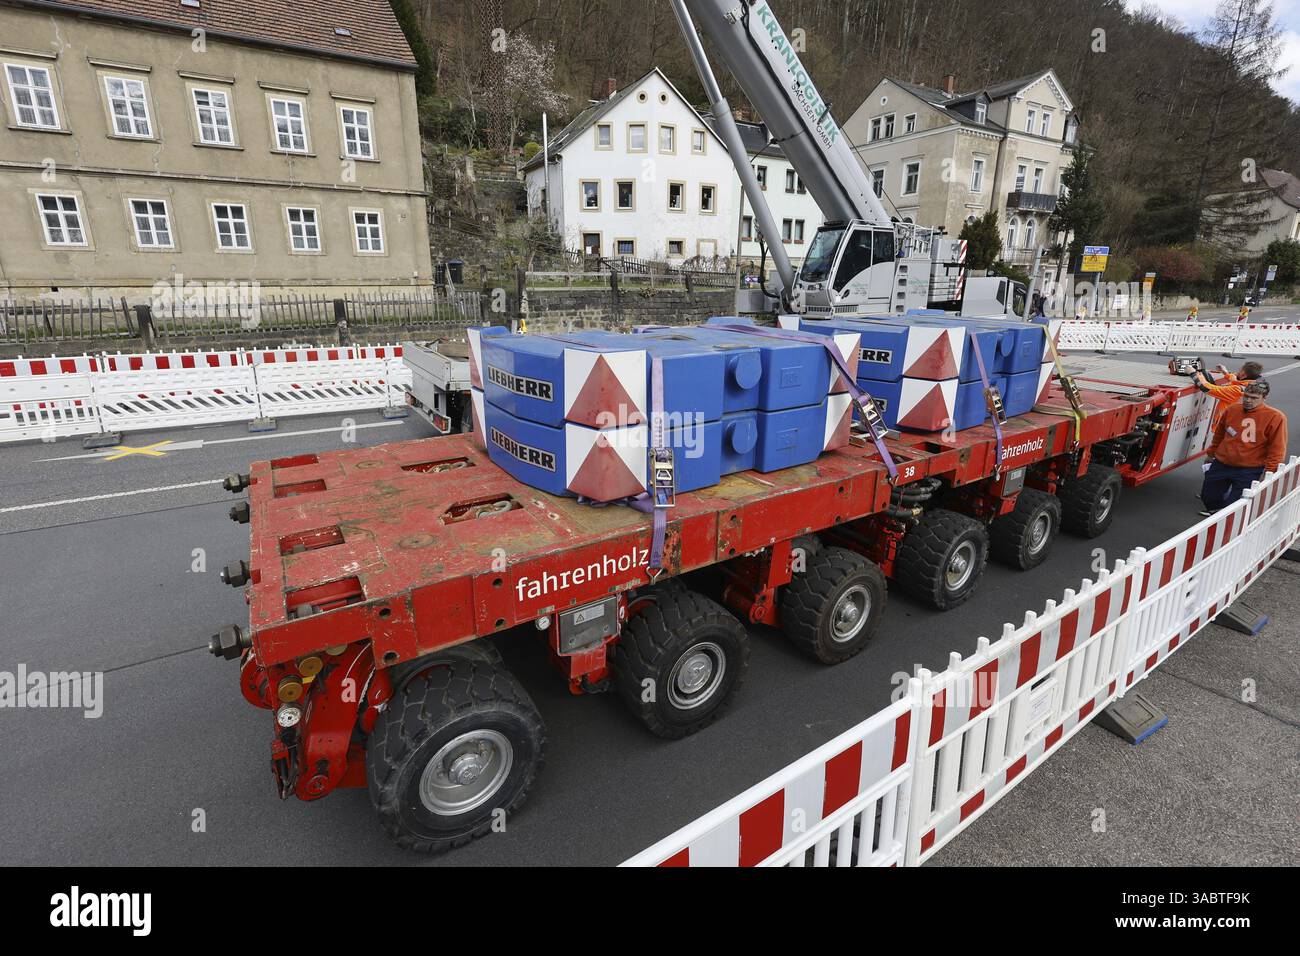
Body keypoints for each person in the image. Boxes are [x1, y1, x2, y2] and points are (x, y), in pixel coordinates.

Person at [1199, 379, 1288, 515]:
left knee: (1235, 506)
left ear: (1264, 398)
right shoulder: (1232, 410)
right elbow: (1219, 435)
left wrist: (1269, 472)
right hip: (1222, 463)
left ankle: (1224, 525)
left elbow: (1277, 448)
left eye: (1254, 398)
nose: (1248, 400)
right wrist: (1211, 454)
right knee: (1208, 496)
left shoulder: (1276, 417)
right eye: (1246, 396)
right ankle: (1216, 514)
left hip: (1250, 469)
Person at [1191, 360, 1263, 427]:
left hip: (1225, 429)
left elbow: (1206, 388)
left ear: (1244, 375)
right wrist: (1225, 372)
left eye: (1240, 371)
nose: (1237, 372)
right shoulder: (1252, 385)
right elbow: (1236, 381)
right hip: (1236, 425)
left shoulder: (1237, 390)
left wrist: (1193, 373)